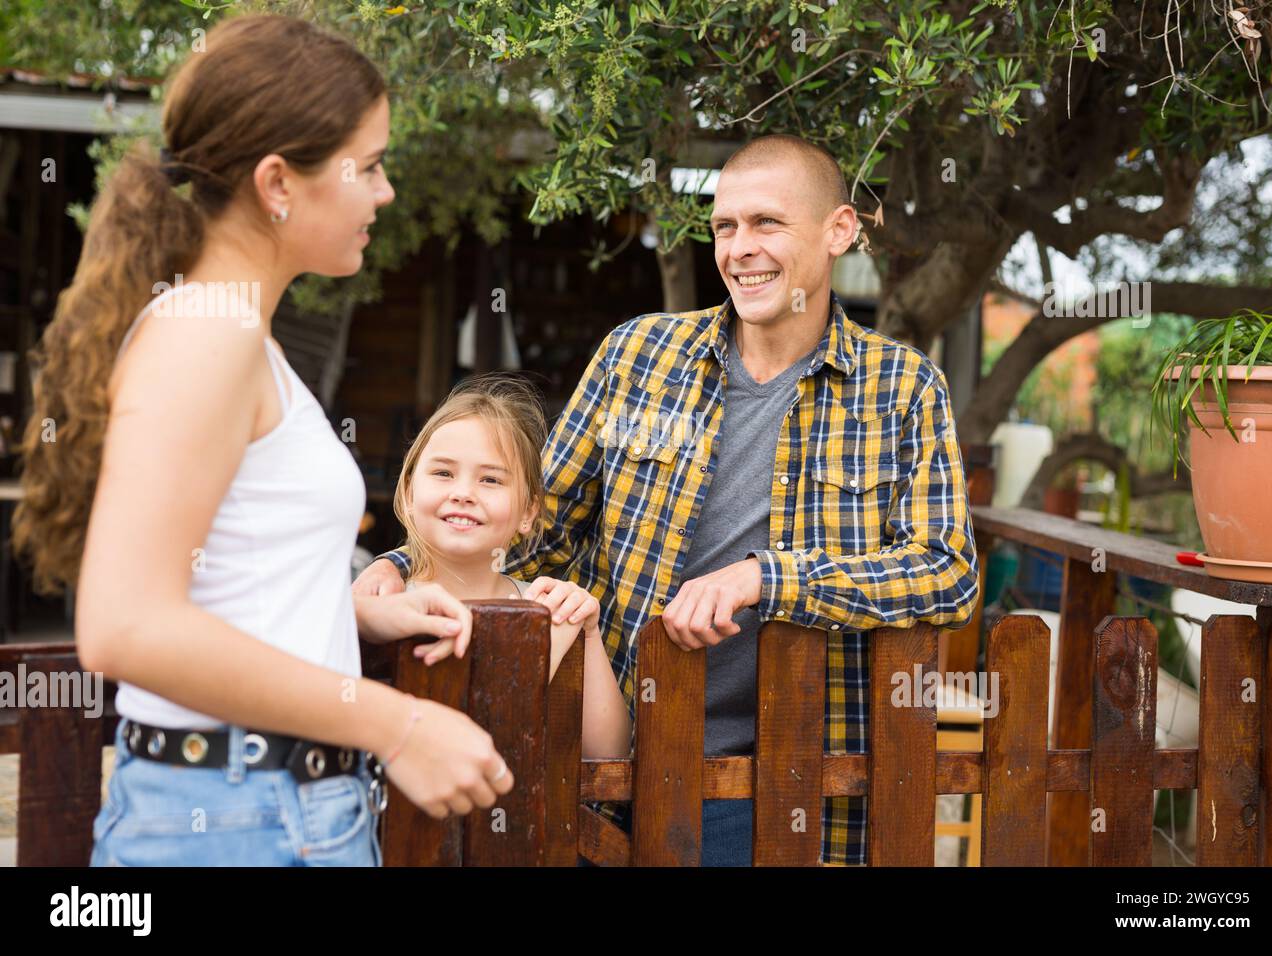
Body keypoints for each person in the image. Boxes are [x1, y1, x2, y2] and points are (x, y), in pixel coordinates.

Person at [356, 134, 980, 865]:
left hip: (787, 775)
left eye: (766, 223)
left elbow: (947, 570)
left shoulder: (902, 386)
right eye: (724, 227)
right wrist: (403, 564)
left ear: (839, 230)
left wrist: (766, 577)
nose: (739, 247)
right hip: (616, 763)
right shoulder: (638, 356)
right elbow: (539, 523)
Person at [12, 14, 512, 867]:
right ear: (278, 181)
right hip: (237, 821)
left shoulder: (235, 335)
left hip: (268, 809)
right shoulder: (208, 337)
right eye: (371, 165)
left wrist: (349, 611)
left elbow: (222, 580)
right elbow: (125, 626)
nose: (385, 193)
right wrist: (400, 722)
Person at [392, 374, 631, 758]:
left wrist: (586, 632)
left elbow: (609, 754)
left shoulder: (547, 609)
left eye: (490, 479)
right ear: (408, 493)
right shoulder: (382, 604)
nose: (463, 493)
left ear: (528, 511)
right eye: (442, 473)